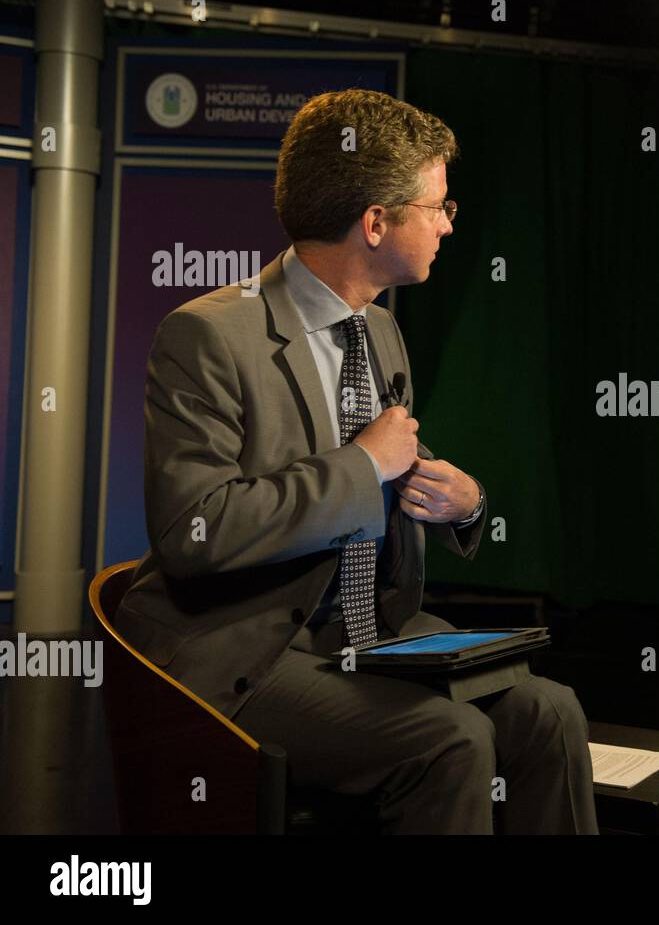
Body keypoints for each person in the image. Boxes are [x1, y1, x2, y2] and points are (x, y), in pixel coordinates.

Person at [115, 88, 599, 834]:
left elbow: (388, 458)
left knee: (550, 711)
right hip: (250, 644)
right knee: (452, 740)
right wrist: (362, 466)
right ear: (376, 222)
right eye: (437, 205)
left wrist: (459, 497)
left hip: (368, 629)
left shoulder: (381, 330)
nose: (447, 221)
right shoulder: (207, 335)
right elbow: (193, 530)